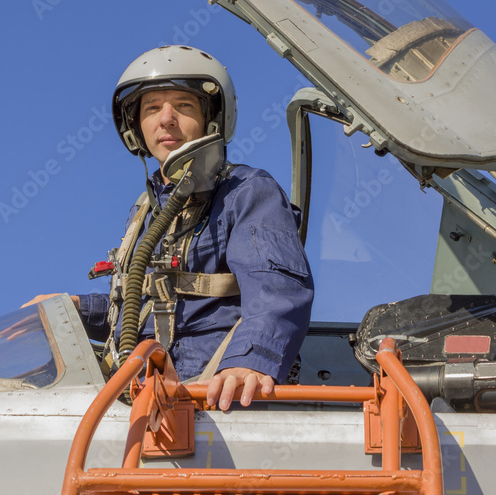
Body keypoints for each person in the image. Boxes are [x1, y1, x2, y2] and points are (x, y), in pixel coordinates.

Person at [27, 45, 313, 411]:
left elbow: (277, 288)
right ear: (136, 128)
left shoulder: (246, 192)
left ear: (212, 120)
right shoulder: (144, 211)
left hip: (212, 403)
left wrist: (249, 361)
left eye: (183, 105)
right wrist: (78, 309)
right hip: (141, 397)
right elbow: (143, 302)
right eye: (151, 108)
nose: (166, 119)